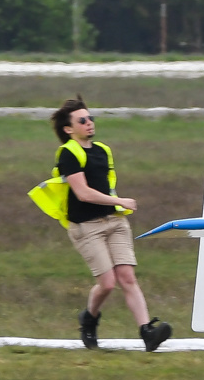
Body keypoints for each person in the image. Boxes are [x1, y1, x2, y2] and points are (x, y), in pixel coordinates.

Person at [34, 99, 173, 351]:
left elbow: (103, 184)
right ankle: (89, 318)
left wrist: (115, 206)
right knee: (108, 283)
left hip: (115, 221)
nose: (89, 123)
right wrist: (120, 200)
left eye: (91, 118)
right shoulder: (68, 153)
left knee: (127, 277)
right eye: (82, 120)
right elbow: (83, 193)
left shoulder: (102, 150)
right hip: (86, 227)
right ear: (68, 129)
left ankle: (147, 332)